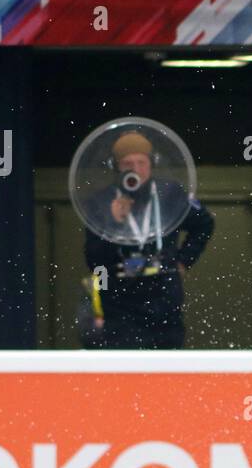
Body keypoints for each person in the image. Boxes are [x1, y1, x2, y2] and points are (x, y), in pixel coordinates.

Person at [81, 130, 215, 349]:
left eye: (141, 162)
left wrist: (183, 260)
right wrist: (112, 222)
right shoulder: (100, 202)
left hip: (164, 300)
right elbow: (94, 261)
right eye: (127, 164)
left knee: (166, 370)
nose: (135, 170)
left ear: (151, 164)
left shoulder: (170, 193)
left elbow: (204, 224)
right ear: (116, 167)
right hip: (119, 304)